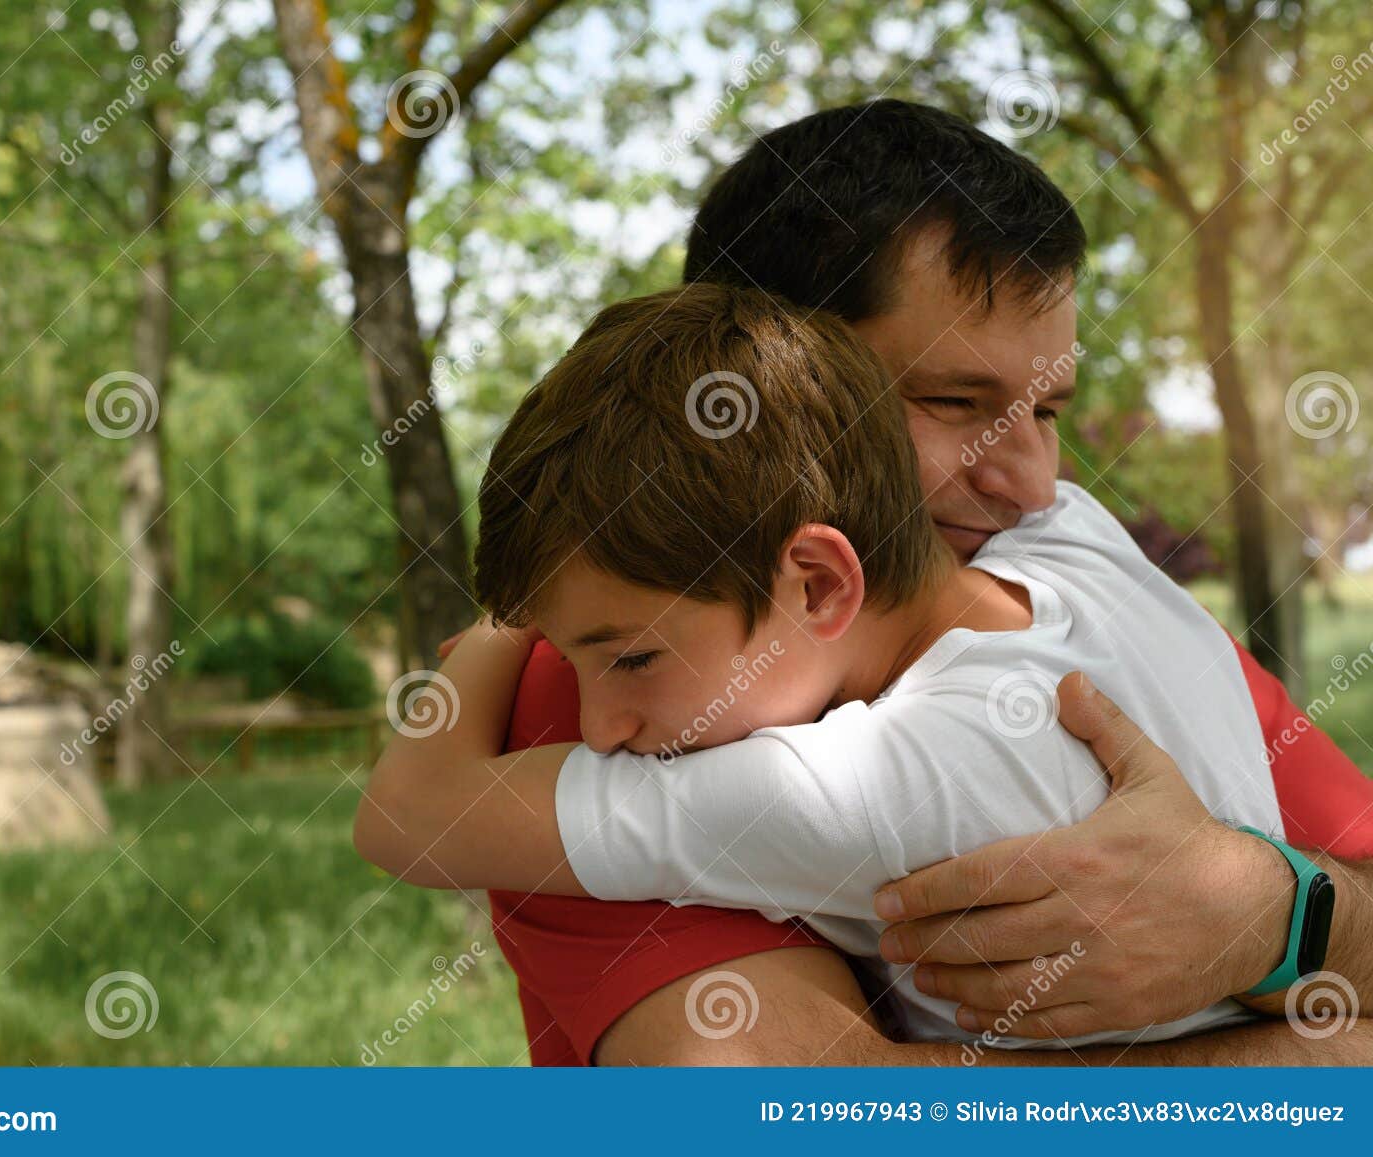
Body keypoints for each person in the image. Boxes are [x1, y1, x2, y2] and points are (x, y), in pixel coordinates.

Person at [442, 100, 1373, 1065]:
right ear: (766, 388)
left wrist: (1279, 919)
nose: (1033, 485)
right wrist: (1328, 1063)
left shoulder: (1069, 595)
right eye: (951, 401)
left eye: (1048, 409)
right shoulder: (629, 695)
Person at [356, 281, 1308, 1055]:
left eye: (631, 657)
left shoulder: (865, 787)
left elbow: (408, 817)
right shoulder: (1075, 538)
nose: (601, 723)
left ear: (817, 584)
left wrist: (496, 634)